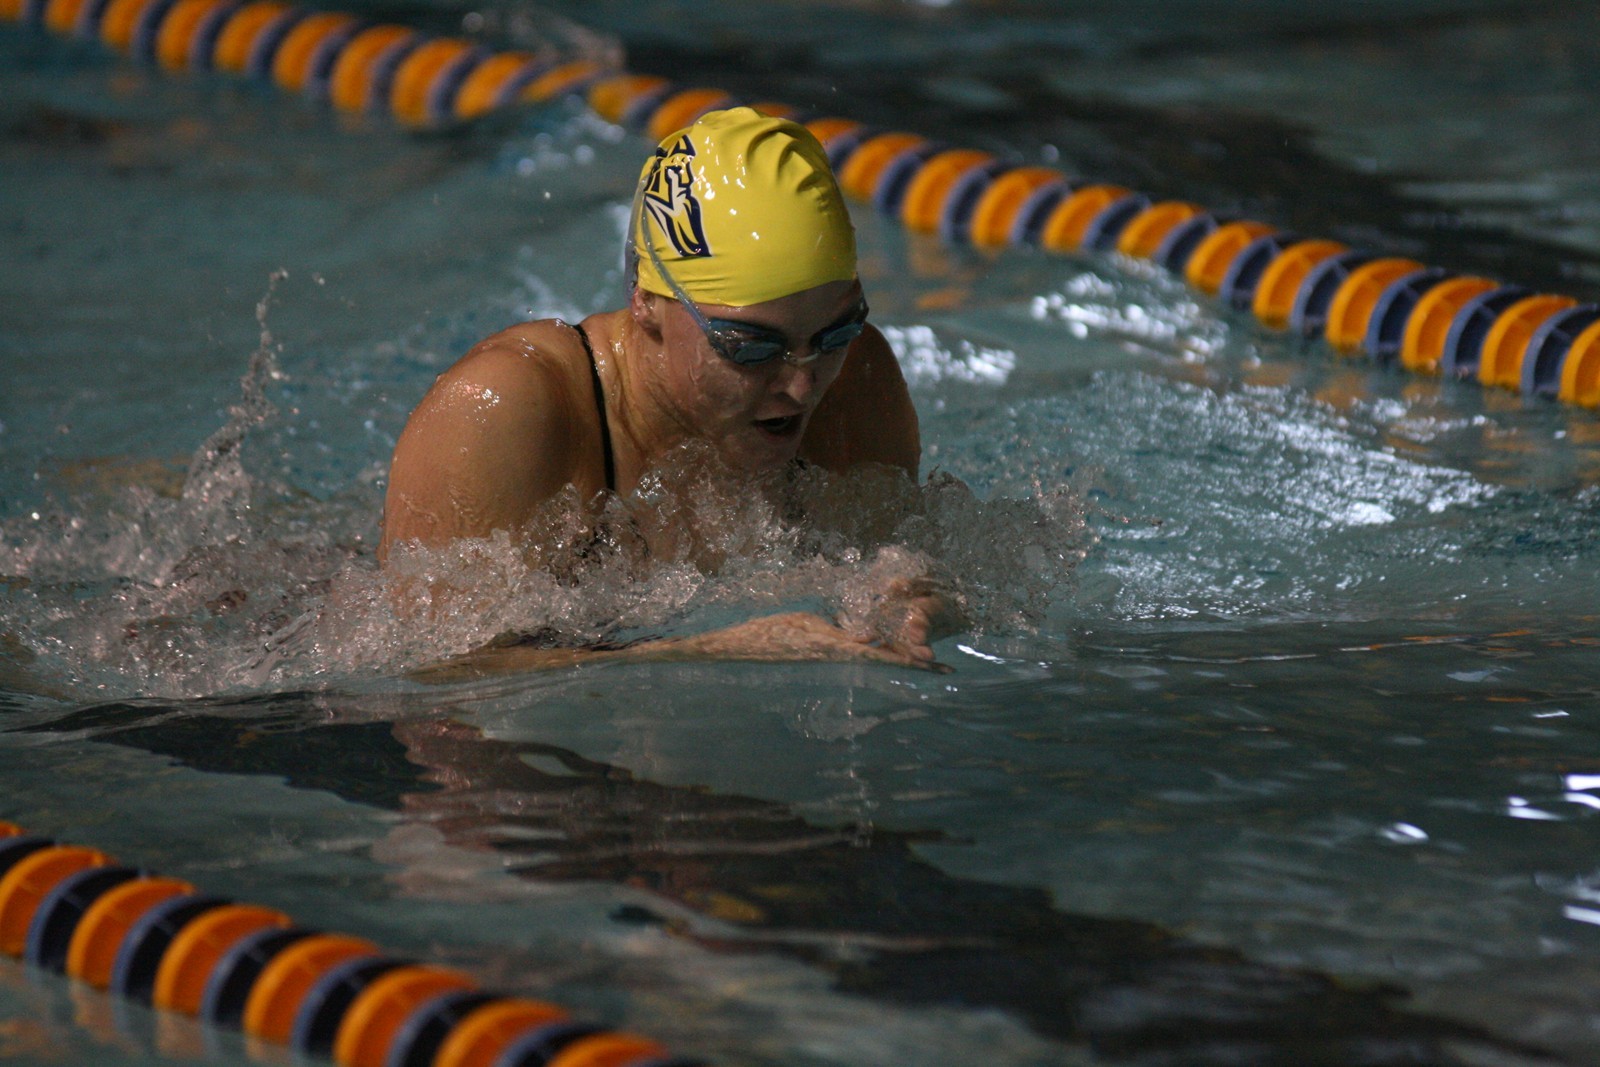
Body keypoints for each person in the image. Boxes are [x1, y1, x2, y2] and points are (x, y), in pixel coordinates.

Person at [380, 107, 956, 673]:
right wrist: (700, 652)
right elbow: (430, 671)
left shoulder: (857, 376)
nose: (803, 384)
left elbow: (896, 569)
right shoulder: (509, 409)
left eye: (834, 333)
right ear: (647, 302)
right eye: (750, 346)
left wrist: (919, 601)